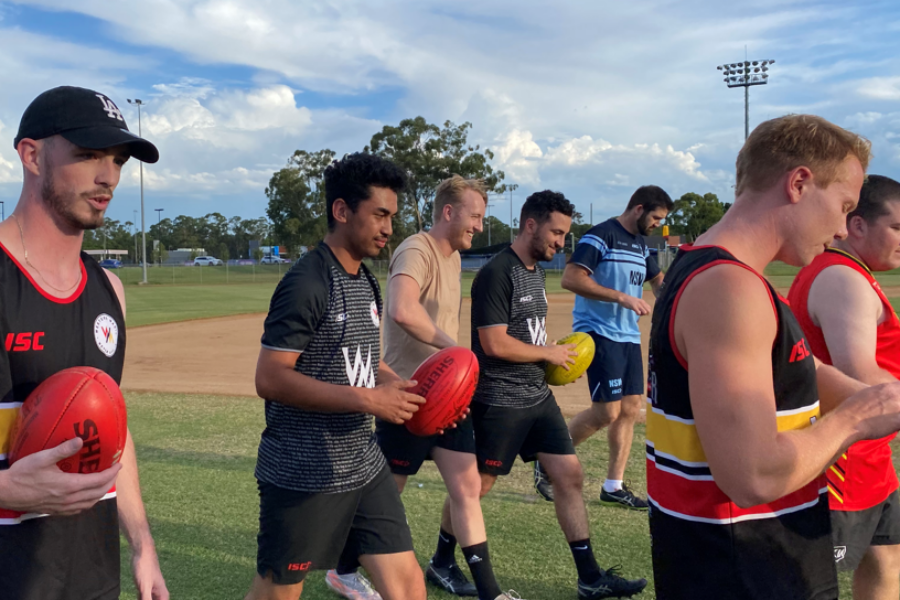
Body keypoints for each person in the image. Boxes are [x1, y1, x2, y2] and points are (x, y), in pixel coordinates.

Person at [646, 114, 900, 600]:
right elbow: (754, 473)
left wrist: (881, 402)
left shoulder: (724, 272)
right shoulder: (729, 288)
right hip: (742, 570)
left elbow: (810, 372)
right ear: (800, 183)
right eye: (844, 206)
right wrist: (854, 420)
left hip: (743, 562)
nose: (844, 231)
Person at [0, 86, 167, 600]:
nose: (109, 177)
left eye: (116, 160)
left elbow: (111, 425)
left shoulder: (109, 291)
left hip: (90, 575)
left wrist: (141, 543)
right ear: (31, 155)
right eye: (87, 155)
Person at [244, 153, 427, 600]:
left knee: (407, 586)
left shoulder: (366, 281)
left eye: (392, 217)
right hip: (302, 471)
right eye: (379, 215)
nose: (388, 228)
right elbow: (270, 378)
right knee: (278, 592)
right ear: (342, 211)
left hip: (362, 462)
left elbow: (361, 359)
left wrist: (403, 388)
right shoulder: (307, 282)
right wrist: (369, 401)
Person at [327, 175, 518, 600]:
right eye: (474, 216)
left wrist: (459, 376)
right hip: (409, 395)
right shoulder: (417, 248)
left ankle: (492, 593)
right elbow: (400, 309)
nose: (479, 227)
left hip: (447, 398)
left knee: (467, 488)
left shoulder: (453, 256)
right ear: (448, 212)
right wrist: (458, 355)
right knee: (385, 496)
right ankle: (342, 570)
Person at [470, 190, 648, 600]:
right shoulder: (498, 272)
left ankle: (590, 578)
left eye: (565, 234)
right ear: (530, 224)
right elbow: (494, 344)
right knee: (478, 486)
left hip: (536, 395)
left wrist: (549, 356)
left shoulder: (535, 271)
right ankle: (443, 560)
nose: (562, 243)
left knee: (568, 475)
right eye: (556, 232)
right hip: (499, 399)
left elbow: (523, 336)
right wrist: (548, 352)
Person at [788, 174, 900, 600]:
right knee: (818, 582)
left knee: (886, 558)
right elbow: (860, 376)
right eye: (897, 227)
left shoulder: (851, 274)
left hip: (872, 460)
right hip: (843, 462)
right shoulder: (842, 278)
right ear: (857, 226)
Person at [534, 185, 672, 508]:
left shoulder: (641, 245)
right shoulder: (600, 236)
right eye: (656, 217)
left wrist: (684, 299)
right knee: (606, 411)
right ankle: (548, 459)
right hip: (598, 334)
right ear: (638, 209)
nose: (657, 224)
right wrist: (621, 296)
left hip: (628, 336)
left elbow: (658, 283)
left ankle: (613, 486)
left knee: (629, 408)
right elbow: (571, 278)